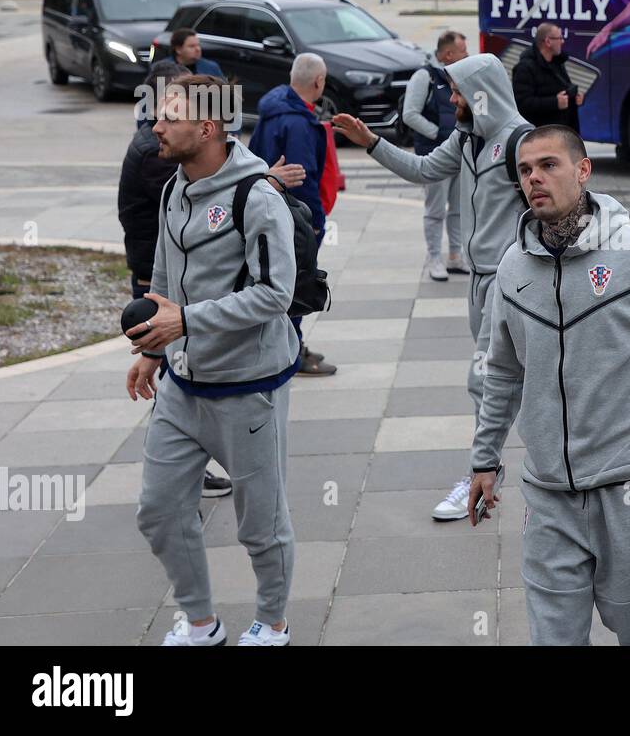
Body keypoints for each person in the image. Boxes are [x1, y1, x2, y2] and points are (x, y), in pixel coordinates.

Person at [467, 124, 630, 646]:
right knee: (554, 637)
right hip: (548, 496)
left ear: (583, 170)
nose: (535, 178)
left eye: (549, 165)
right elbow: (500, 370)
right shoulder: (511, 268)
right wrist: (484, 458)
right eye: (525, 170)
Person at [126, 74, 300, 646]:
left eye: (167, 116)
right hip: (181, 385)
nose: (155, 125)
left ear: (207, 126)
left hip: (249, 388)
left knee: (261, 525)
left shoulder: (258, 197)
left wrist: (189, 320)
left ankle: (272, 623)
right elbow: (163, 279)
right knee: (157, 510)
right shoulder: (174, 188)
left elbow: (276, 294)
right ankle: (202, 622)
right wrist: (155, 348)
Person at [331, 54, 532, 521]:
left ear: (482, 91)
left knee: (484, 382)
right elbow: (422, 170)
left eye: (459, 91)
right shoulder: (466, 140)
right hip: (479, 284)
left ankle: (481, 475)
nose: (453, 98)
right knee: (507, 384)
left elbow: (560, 208)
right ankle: (521, 473)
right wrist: (371, 142)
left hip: (511, 286)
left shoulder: (523, 141)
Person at [248, 53, 336, 377]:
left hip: (268, 211)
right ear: (318, 82)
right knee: (297, 287)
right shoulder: (298, 122)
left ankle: (288, 347)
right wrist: (313, 224)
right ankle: (292, 351)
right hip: (293, 221)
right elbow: (303, 178)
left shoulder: (272, 109)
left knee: (279, 284)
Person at [403, 30, 471, 281]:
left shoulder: (462, 74)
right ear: (448, 54)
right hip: (433, 155)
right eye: (463, 50)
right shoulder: (424, 76)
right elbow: (410, 114)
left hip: (459, 152)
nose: (467, 54)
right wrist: (437, 133)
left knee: (458, 209)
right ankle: (434, 258)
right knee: (435, 210)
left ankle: (455, 255)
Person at [511, 22, 583, 131]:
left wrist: (574, 98)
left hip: (561, 132)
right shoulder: (524, 68)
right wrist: (554, 102)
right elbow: (522, 103)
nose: (562, 41)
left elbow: (561, 89)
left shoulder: (557, 62)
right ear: (548, 41)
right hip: (541, 135)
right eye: (559, 38)